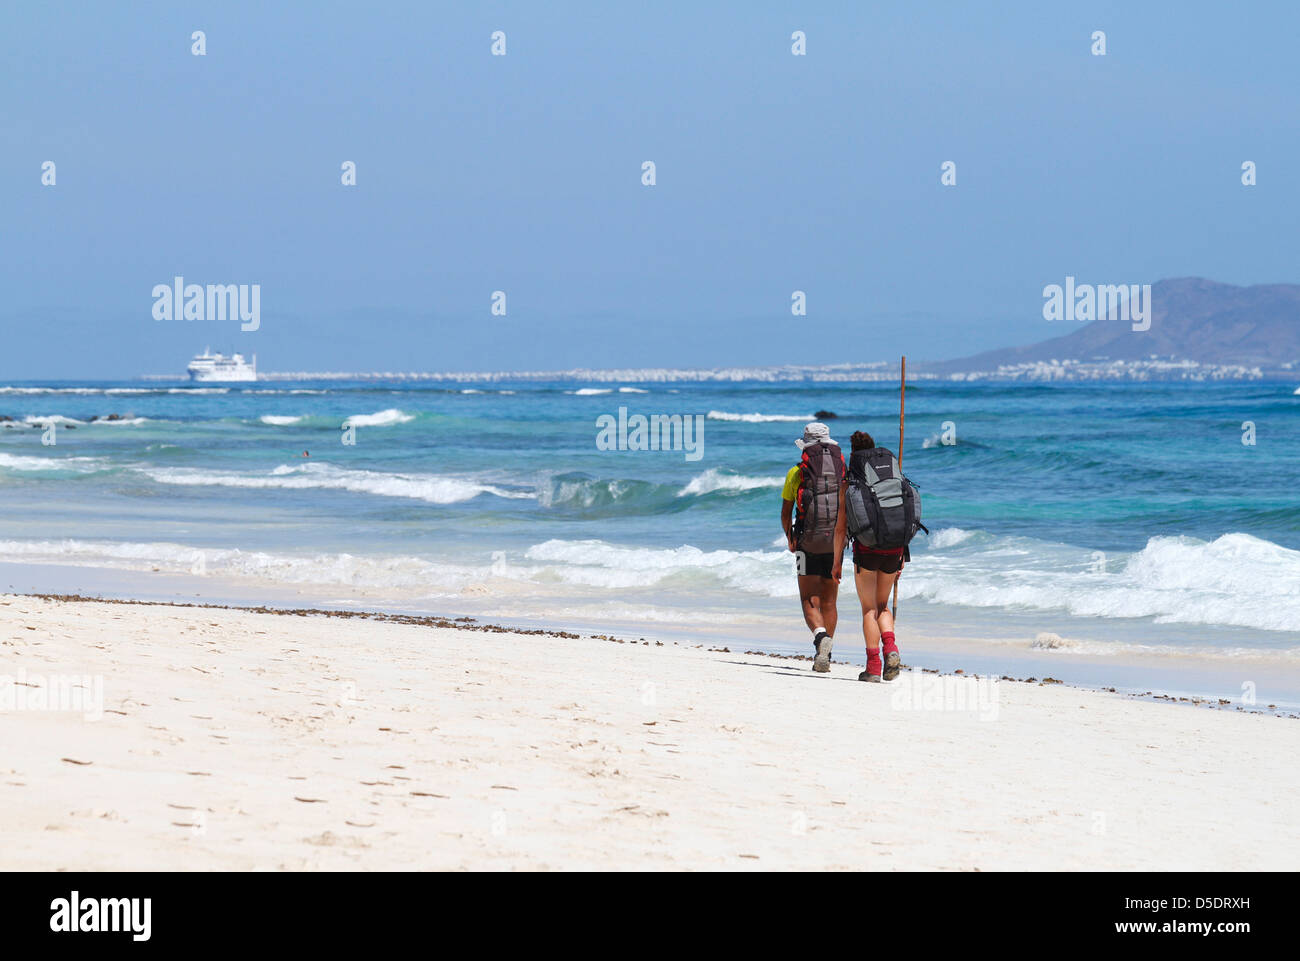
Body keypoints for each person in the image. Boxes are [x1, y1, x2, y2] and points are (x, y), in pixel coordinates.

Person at [780, 422, 848, 673]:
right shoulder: (843, 471)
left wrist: (790, 538)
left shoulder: (796, 473)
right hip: (835, 545)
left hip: (805, 544)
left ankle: (820, 638)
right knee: (829, 602)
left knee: (809, 599)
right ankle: (826, 656)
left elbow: (786, 512)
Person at [847, 431, 904, 682]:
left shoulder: (853, 477)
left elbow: (844, 525)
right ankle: (891, 647)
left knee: (869, 608)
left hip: (867, 549)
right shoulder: (891, 472)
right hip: (895, 548)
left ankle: (872, 667)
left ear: (853, 453)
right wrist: (903, 555)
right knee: (883, 605)